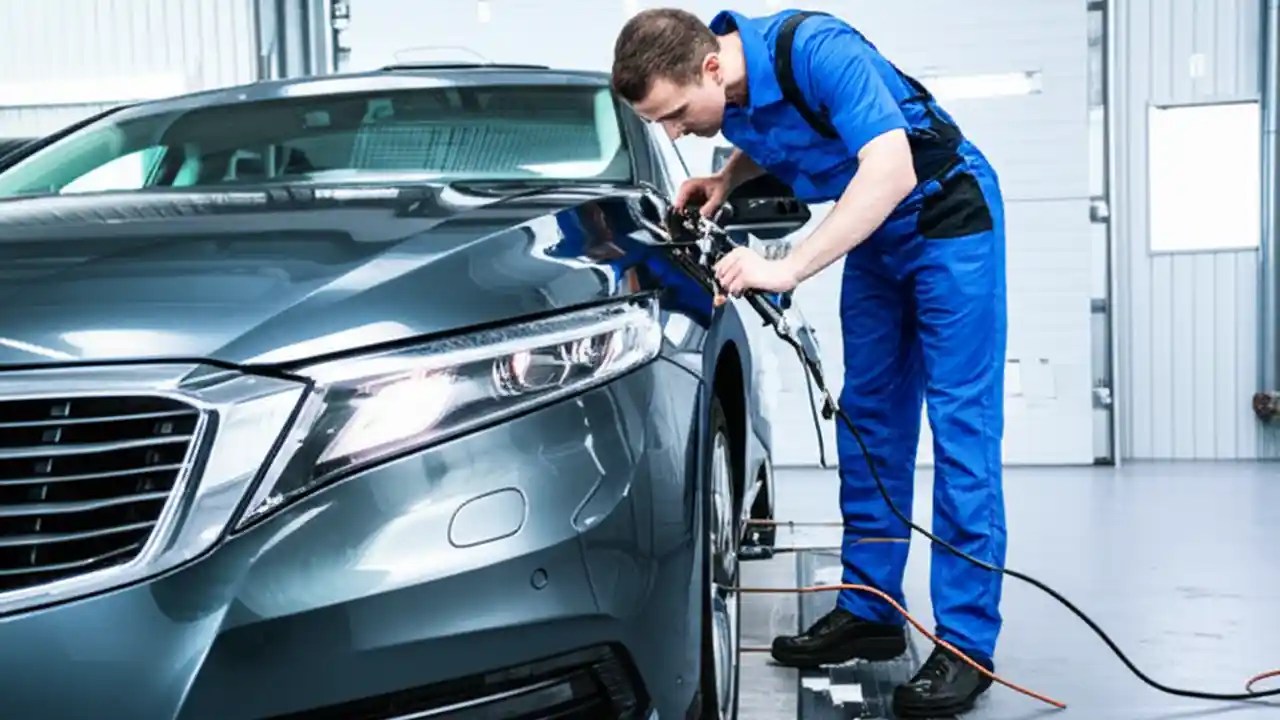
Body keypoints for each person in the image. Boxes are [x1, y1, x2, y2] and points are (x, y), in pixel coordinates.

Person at [611, 7, 1008, 718]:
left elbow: (888, 166)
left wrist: (787, 266)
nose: (672, 134)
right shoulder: (729, 95)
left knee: (961, 432)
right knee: (870, 423)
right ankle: (872, 609)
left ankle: (968, 645)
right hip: (880, 240)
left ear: (708, 66)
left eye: (672, 115)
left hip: (948, 219)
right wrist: (727, 180)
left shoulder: (818, 50)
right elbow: (790, 132)